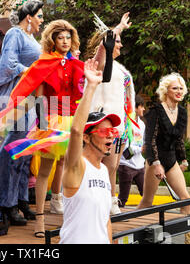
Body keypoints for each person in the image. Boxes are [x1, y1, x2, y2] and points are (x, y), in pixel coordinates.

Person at [2, 19, 85, 237]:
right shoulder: (44, 63)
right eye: (60, 37)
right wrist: (43, 125)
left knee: (73, 169)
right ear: (53, 40)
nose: (65, 41)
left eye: (68, 37)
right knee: (45, 171)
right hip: (51, 120)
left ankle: (72, 218)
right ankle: (39, 219)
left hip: (72, 120)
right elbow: (38, 98)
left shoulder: (76, 63)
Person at [0, 0, 44, 226]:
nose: (41, 21)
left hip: (30, 98)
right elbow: (9, 64)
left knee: (26, 150)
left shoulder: (30, 37)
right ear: (28, 17)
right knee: (13, 150)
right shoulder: (14, 34)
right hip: (14, 96)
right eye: (39, 16)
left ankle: (20, 201)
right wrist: (33, 72)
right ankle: (6, 205)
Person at [60, 56, 120, 244]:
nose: (110, 135)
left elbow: (106, 221)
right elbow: (76, 130)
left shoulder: (104, 170)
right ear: (87, 137)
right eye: (104, 131)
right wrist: (91, 86)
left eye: (113, 131)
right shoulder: (77, 167)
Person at [137, 73, 190, 243]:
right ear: (166, 91)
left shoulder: (182, 112)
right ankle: (132, 229)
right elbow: (149, 141)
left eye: (181, 88)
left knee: (185, 198)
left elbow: (179, 139)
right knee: (147, 201)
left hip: (171, 161)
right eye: (175, 88)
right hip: (155, 161)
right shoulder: (155, 111)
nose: (179, 91)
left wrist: (184, 160)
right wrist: (156, 164)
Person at [84, 12, 135, 214]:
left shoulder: (121, 69)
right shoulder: (99, 64)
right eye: (118, 42)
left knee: (112, 166)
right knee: (99, 165)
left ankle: (111, 200)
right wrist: (119, 27)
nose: (121, 45)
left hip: (119, 125)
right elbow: (103, 48)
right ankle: (98, 202)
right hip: (101, 123)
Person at [117, 95, 146, 207]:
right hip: (126, 166)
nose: (143, 109)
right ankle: (116, 218)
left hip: (140, 166)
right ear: (135, 107)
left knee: (146, 194)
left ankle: (150, 218)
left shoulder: (142, 124)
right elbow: (125, 147)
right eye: (141, 106)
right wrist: (141, 149)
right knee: (123, 199)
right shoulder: (126, 123)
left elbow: (143, 141)